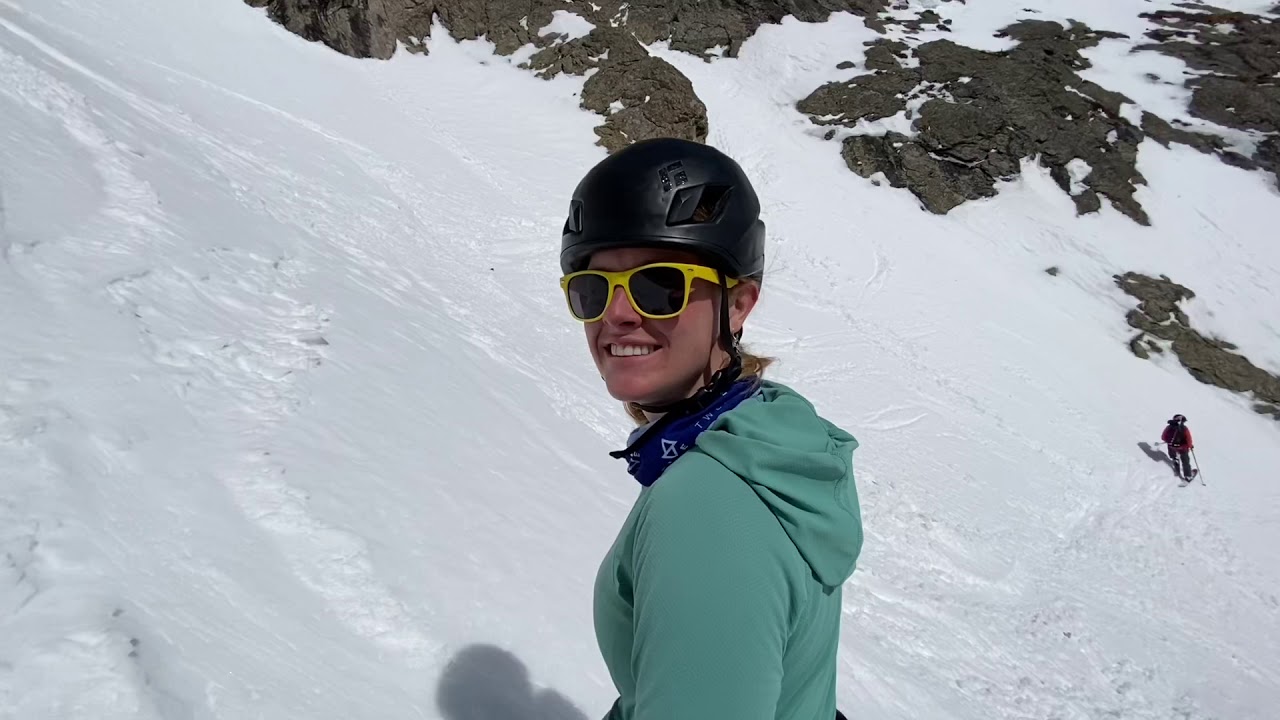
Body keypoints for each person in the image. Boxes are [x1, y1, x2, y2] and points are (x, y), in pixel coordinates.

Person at [557, 137, 863, 720]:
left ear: (740, 303)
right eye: (593, 290)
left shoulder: (706, 507)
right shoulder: (770, 434)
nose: (617, 313)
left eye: (660, 285)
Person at [1161, 414, 1195, 479]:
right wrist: (1190, 446)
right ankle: (1188, 476)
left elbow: (1163, 437)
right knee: (1185, 461)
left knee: (1172, 452)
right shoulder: (1185, 429)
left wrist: (1168, 441)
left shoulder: (1169, 427)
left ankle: (1175, 460)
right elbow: (1188, 439)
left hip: (1172, 446)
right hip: (1182, 448)